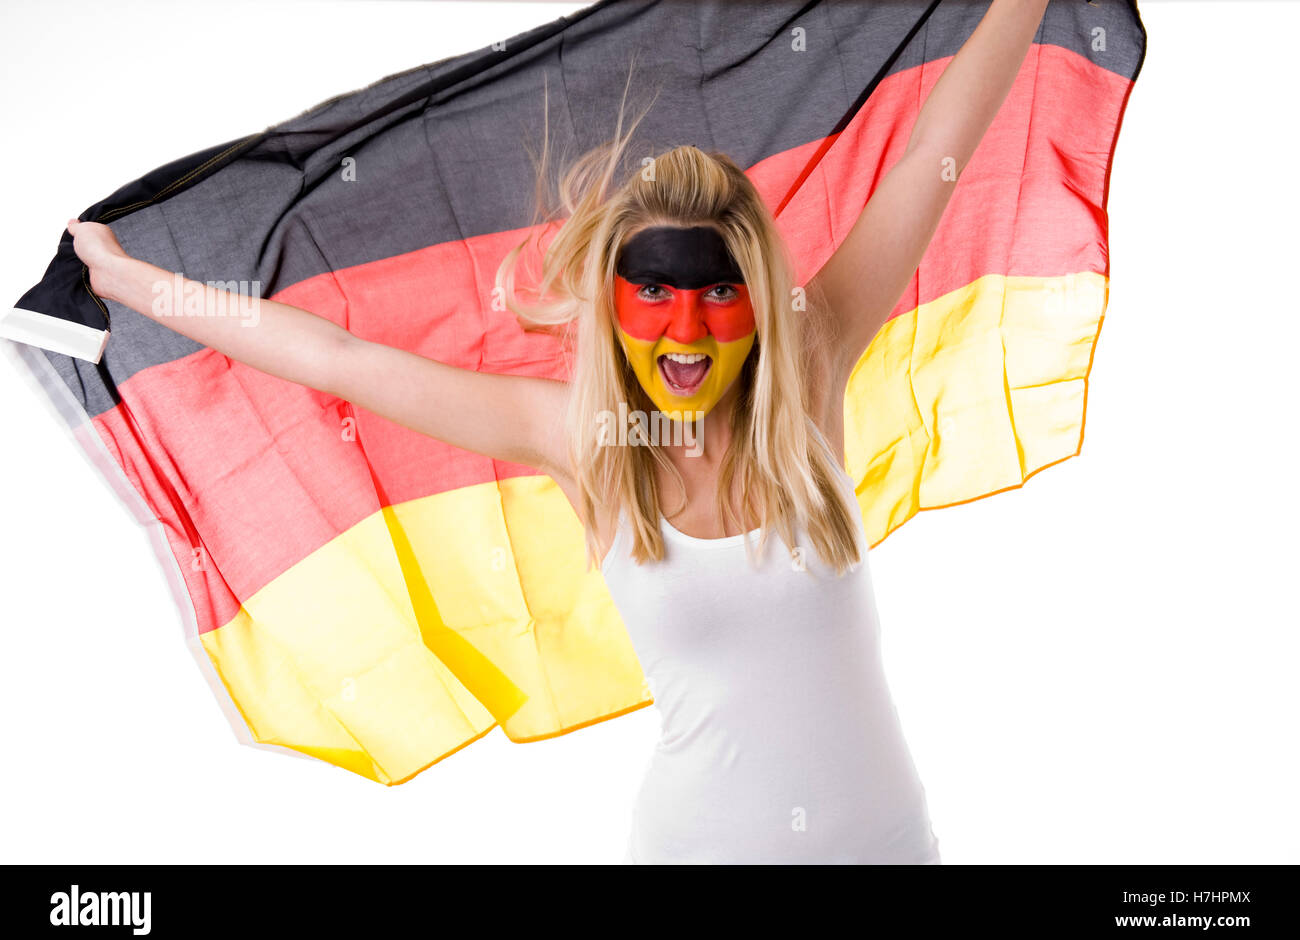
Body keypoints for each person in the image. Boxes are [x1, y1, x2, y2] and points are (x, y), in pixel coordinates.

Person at [67, 0, 1051, 864]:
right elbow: (341, 361)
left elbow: (935, 151)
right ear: (613, 302)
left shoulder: (813, 360)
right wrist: (136, 284)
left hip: (890, 848)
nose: (686, 328)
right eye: (653, 292)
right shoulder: (586, 440)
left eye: (718, 293)